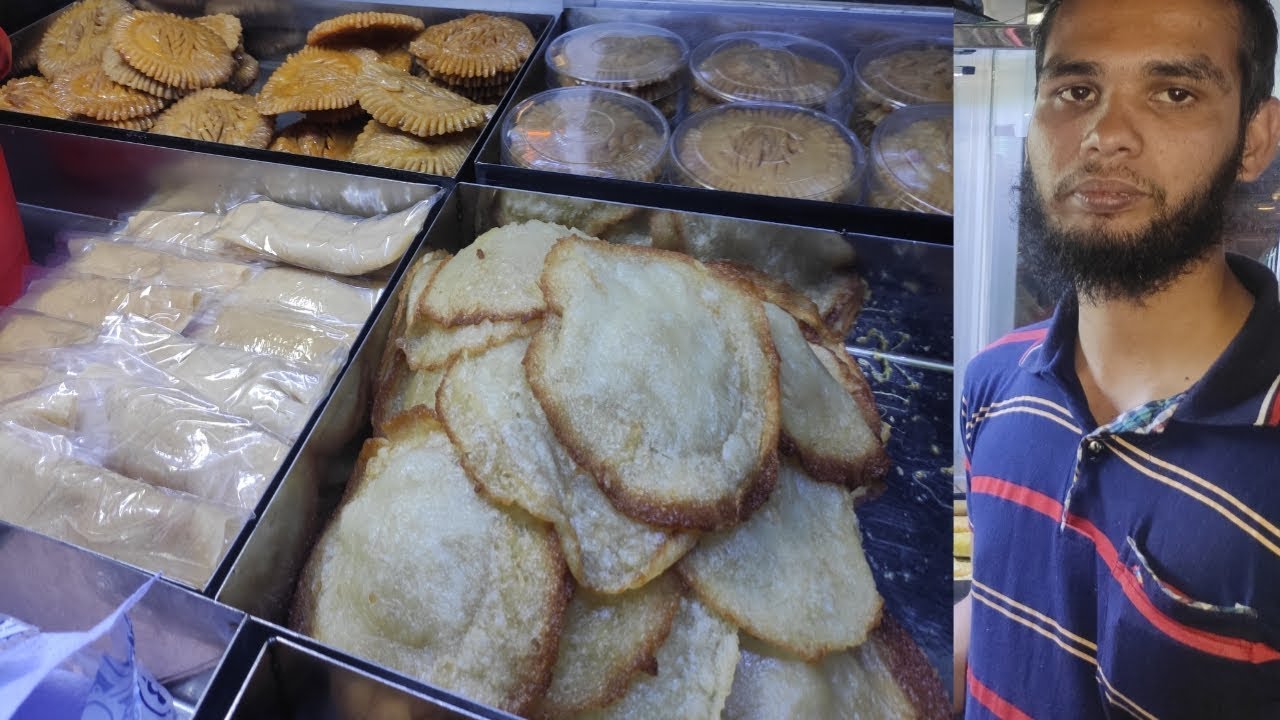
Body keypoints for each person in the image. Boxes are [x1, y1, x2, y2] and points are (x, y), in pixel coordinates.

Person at [955, 0, 1280, 717]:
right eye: (1076, 92)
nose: (1105, 137)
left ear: (1255, 138)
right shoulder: (992, 382)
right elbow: (1003, 608)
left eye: (1174, 93)